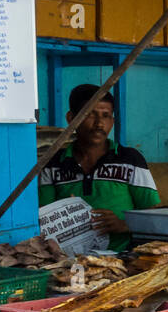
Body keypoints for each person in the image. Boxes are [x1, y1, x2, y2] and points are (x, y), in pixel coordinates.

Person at [38, 84, 160, 251]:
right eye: (90, 115)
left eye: (105, 116)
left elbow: (155, 216)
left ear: (113, 121)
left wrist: (124, 225)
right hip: (68, 262)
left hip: (124, 257)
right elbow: (43, 219)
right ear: (71, 118)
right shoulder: (53, 164)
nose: (99, 124)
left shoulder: (130, 159)